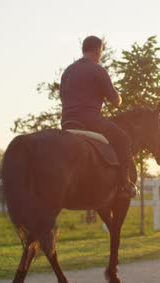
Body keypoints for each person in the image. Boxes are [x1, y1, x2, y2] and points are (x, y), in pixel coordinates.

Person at [60, 36, 136, 199]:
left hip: (67, 120)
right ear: (97, 50)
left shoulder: (68, 71)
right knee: (124, 140)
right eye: (101, 51)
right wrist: (118, 97)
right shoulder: (98, 70)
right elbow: (115, 101)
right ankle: (124, 184)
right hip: (90, 120)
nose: (100, 54)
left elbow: (62, 97)